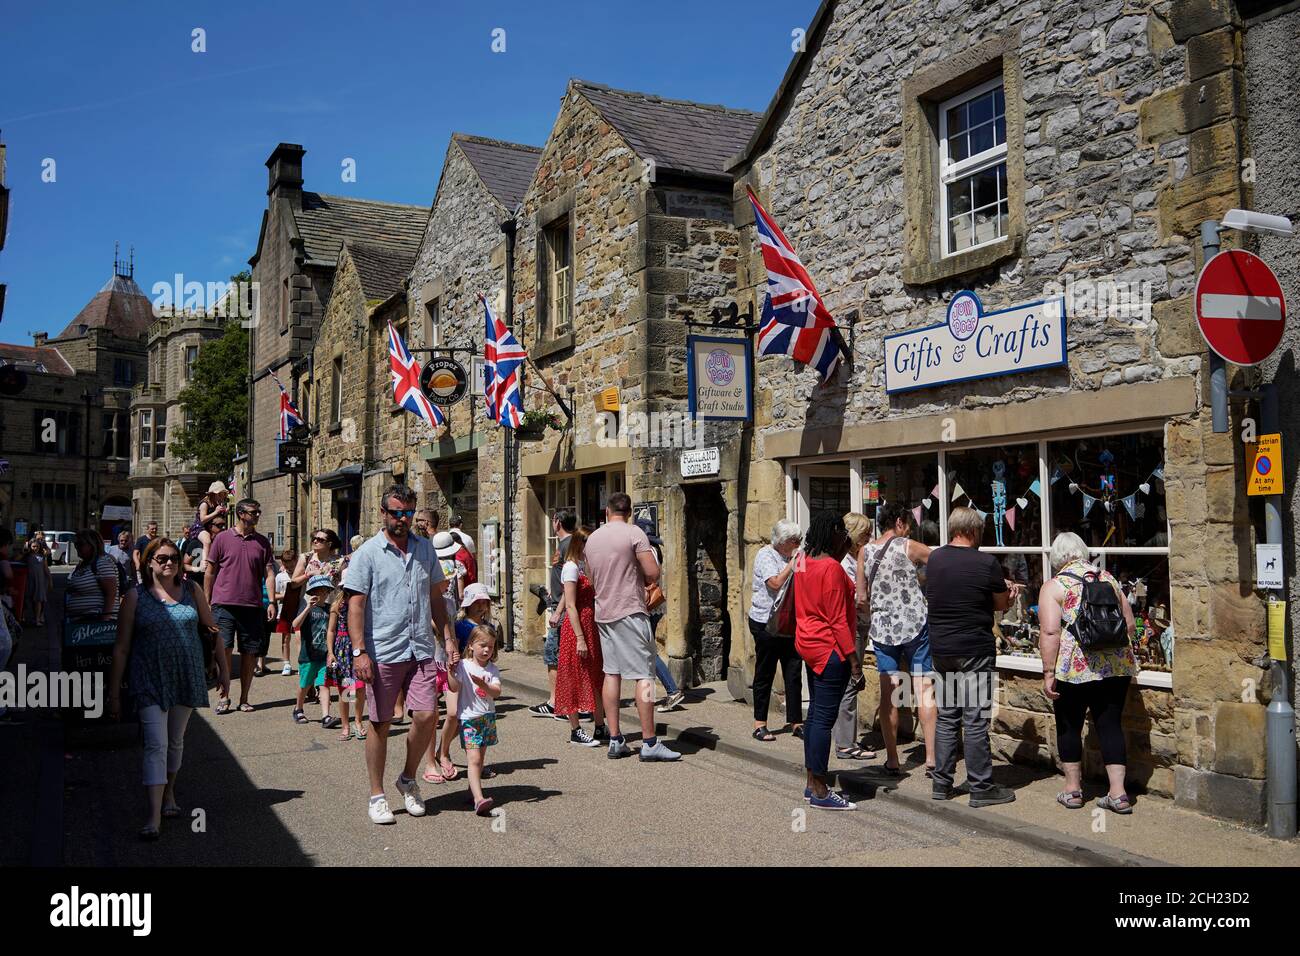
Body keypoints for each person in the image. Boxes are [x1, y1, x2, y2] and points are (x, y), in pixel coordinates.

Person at [346, 484, 458, 825]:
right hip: (383, 649)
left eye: (408, 513)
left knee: (426, 716)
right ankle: (377, 795)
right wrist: (359, 652)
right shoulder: (368, 553)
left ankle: (408, 779)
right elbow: (356, 605)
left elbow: (436, 598)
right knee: (380, 723)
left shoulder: (425, 549)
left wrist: (449, 637)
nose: (402, 519)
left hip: (421, 646)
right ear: (383, 513)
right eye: (396, 513)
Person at [108, 537, 218, 840]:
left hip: (185, 674)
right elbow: (121, 648)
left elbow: (211, 628)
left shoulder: (192, 590)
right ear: (148, 562)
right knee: (155, 744)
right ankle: (153, 815)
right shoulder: (135, 597)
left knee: (175, 741)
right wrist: (114, 692)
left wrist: (220, 666)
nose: (168, 563)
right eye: (161, 558)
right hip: (148, 676)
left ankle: (169, 792)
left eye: (172, 557)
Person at [925, 506, 1020, 807]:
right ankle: (980, 787)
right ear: (972, 530)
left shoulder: (936, 558)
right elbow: (997, 604)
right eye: (980, 530)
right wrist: (1010, 595)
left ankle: (941, 783)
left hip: (943, 649)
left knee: (948, 717)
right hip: (974, 649)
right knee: (975, 718)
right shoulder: (986, 562)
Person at [1038, 531, 1138, 813]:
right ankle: (1118, 795)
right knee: (1110, 725)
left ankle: (1072, 791)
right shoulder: (1107, 579)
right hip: (1116, 666)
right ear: (1082, 551)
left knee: (1069, 724)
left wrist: (1048, 672)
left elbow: (1049, 632)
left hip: (1075, 669)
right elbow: (1129, 625)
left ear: (1057, 558)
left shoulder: (1056, 585)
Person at [583, 492, 679, 762]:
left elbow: (590, 577)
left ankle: (615, 738)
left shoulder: (592, 539)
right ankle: (649, 741)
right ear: (629, 512)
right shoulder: (634, 533)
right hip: (630, 610)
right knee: (644, 676)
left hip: (604, 612)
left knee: (611, 673)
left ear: (607, 511)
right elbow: (652, 572)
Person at [858, 503, 937, 775]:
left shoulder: (864, 552)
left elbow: (861, 598)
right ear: (900, 523)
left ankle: (892, 759)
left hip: (882, 629)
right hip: (915, 624)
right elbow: (941, 564)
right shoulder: (909, 546)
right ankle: (931, 758)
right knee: (924, 689)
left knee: (888, 695)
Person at [794, 511, 860, 811]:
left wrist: (843, 551)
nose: (846, 536)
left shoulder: (802, 562)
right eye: (842, 531)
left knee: (814, 717)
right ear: (832, 531)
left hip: (808, 643)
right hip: (830, 650)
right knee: (823, 720)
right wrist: (855, 663)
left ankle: (812, 783)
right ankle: (821, 789)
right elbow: (838, 621)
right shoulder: (832, 568)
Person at [204, 498, 277, 715]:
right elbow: (210, 572)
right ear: (241, 514)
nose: (257, 515)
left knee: (249, 653)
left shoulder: (263, 542)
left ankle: (244, 698)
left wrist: (271, 601)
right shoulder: (222, 539)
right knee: (224, 649)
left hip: (252, 606)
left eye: (258, 512)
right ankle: (224, 696)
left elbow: (269, 574)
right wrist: (207, 602)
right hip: (223, 604)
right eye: (253, 512)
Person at [748, 520, 804, 743]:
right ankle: (759, 724)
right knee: (766, 671)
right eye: (795, 541)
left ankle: (796, 721)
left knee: (793, 672)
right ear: (783, 542)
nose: (799, 544)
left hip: (789, 622)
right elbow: (775, 583)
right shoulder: (766, 555)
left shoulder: (793, 555)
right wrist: (793, 564)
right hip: (765, 622)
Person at [553, 530, 609, 747]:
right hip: (577, 627)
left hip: (589, 624)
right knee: (573, 677)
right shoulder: (570, 567)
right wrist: (580, 638)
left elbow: (568, 597)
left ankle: (599, 725)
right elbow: (570, 604)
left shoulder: (583, 566)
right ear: (580, 545)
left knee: (594, 675)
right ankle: (575, 730)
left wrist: (557, 612)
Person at [422, 534, 470, 783]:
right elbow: (427, 614)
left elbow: (458, 603)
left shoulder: (453, 575)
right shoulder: (427, 574)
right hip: (430, 654)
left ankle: (444, 752)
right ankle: (430, 761)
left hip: (451, 653)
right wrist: (442, 630)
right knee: (431, 713)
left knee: (453, 712)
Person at [830, 512, 876, 762]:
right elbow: (856, 599)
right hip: (852, 626)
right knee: (851, 681)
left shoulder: (856, 557)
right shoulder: (844, 563)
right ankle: (846, 743)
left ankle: (844, 739)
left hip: (859, 624)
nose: (870, 538)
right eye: (866, 533)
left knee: (847, 683)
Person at [447, 624, 502, 816]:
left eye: (491, 646)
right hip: (469, 719)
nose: (487, 650)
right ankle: (479, 799)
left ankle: (473, 791)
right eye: (482, 645)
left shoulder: (492, 669)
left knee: (481, 759)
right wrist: (450, 671)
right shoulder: (463, 665)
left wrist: (483, 684)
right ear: (471, 645)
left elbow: (496, 692)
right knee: (474, 759)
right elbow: (453, 687)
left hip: (486, 718)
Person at [635, 517, 686, 713]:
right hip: (650, 607)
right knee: (645, 653)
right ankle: (648, 695)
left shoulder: (649, 552)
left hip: (649, 606)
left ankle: (672, 690)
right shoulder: (653, 550)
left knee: (648, 653)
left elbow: (649, 577)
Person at [530, 509, 575, 720]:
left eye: (554, 520)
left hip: (563, 610)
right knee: (557, 656)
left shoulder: (570, 545)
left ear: (557, 522)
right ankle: (561, 702)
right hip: (560, 605)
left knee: (554, 655)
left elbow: (571, 584)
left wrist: (558, 611)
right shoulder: (566, 545)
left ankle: (557, 703)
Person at [292, 575, 340, 728]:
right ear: (312, 591)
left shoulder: (329, 608)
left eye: (325, 590)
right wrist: (307, 608)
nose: (323, 593)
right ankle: (298, 708)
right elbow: (295, 625)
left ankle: (326, 716)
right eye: (319, 590)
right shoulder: (307, 608)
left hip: (324, 655)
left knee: (323, 684)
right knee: (305, 685)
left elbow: (333, 629)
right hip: (308, 656)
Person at [326, 577, 366, 742]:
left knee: (360, 687)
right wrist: (330, 652)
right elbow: (331, 630)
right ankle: (345, 725)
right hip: (343, 651)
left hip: (358, 648)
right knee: (346, 690)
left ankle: (358, 721)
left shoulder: (363, 604)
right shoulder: (337, 606)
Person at [65, 529, 119, 623]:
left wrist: (103, 621)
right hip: (81, 622)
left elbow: (111, 594)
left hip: (94, 622)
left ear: (92, 545)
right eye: (75, 544)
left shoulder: (102, 563)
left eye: (80, 544)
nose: (76, 547)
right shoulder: (84, 564)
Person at [274, 548, 301, 677]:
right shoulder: (280, 576)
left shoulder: (300, 573)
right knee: (285, 638)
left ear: (296, 561)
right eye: (286, 565)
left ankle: (302, 663)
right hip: (284, 610)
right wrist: (285, 595)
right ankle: (286, 663)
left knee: (299, 638)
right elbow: (274, 594)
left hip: (299, 609)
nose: (289, 568)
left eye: (292, 565)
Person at [23, 535, 52, 627]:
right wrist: (24, 550)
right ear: (30, 546)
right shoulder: (27, 556)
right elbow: (16, 559)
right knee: (27, 600)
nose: (35, 548)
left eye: (37, 546)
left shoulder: (42, 556)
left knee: (38, 600)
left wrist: (50, 579)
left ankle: (37, 619)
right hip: (29, 581)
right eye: (33, 546)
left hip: (40, 581)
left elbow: (46, 568)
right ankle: (23, 617)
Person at [448, 515, 478, 584]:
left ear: (450, 525)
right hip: (466, 577)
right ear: (461, 525)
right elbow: (473, 557)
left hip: (449, 574)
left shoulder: (445, 538)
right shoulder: (468, 538)